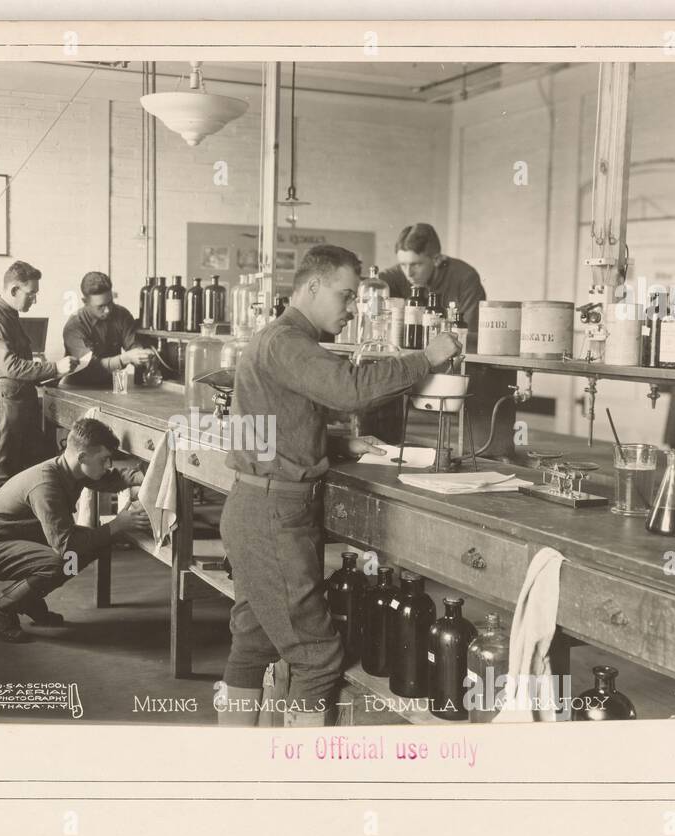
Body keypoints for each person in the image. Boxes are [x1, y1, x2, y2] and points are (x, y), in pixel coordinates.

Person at [216, 245, 462, 727]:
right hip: (273, 516)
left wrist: (334, 443)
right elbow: (349, 388)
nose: (351, 311)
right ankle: (306, 786)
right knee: (317, 657)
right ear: (311, 287)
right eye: (346, 296)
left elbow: (266, 427)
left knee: (255, 639)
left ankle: (234, 769)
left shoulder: (276, 340)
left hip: (255, 507)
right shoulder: (288, 342)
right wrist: (427, 357)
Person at [0, 417, 150, 643]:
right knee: (64, 560)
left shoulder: (74, 468)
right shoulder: (46, 484)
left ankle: (28, 598)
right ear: (83, 457)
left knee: (89, 548)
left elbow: (110, 480)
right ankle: (2, 608)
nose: (108, 465)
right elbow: (66, 545)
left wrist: (141, 477)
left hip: (20, 536)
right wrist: (117, 525)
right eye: (104, 460)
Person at [0, 260, 77, 501]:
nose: (34, 299)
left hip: (18, 402)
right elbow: (10, 366)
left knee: (31, 469)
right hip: (6, 405)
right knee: (1, 474)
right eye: (31, 294)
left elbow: (19, 366)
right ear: (13, 290)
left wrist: (53, 375)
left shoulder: (9, 317)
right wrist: (54, 367)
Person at [378, 222, 487, 330]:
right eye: (402, 264)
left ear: (437, 259)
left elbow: (470, 333)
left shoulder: (466, 278)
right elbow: (371, 284)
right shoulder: (394, 275)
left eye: (416, 265)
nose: (408, 273)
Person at [61, 271, 155, 387]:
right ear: (85, 302)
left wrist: (141, 355)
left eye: (110, 303)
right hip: (78, 388)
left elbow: (132, 345)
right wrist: (125, 358)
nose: (108, 310)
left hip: (111, 385)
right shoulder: (74, 326)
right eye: (100, 306)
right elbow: (91, 367)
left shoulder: (122, 315)